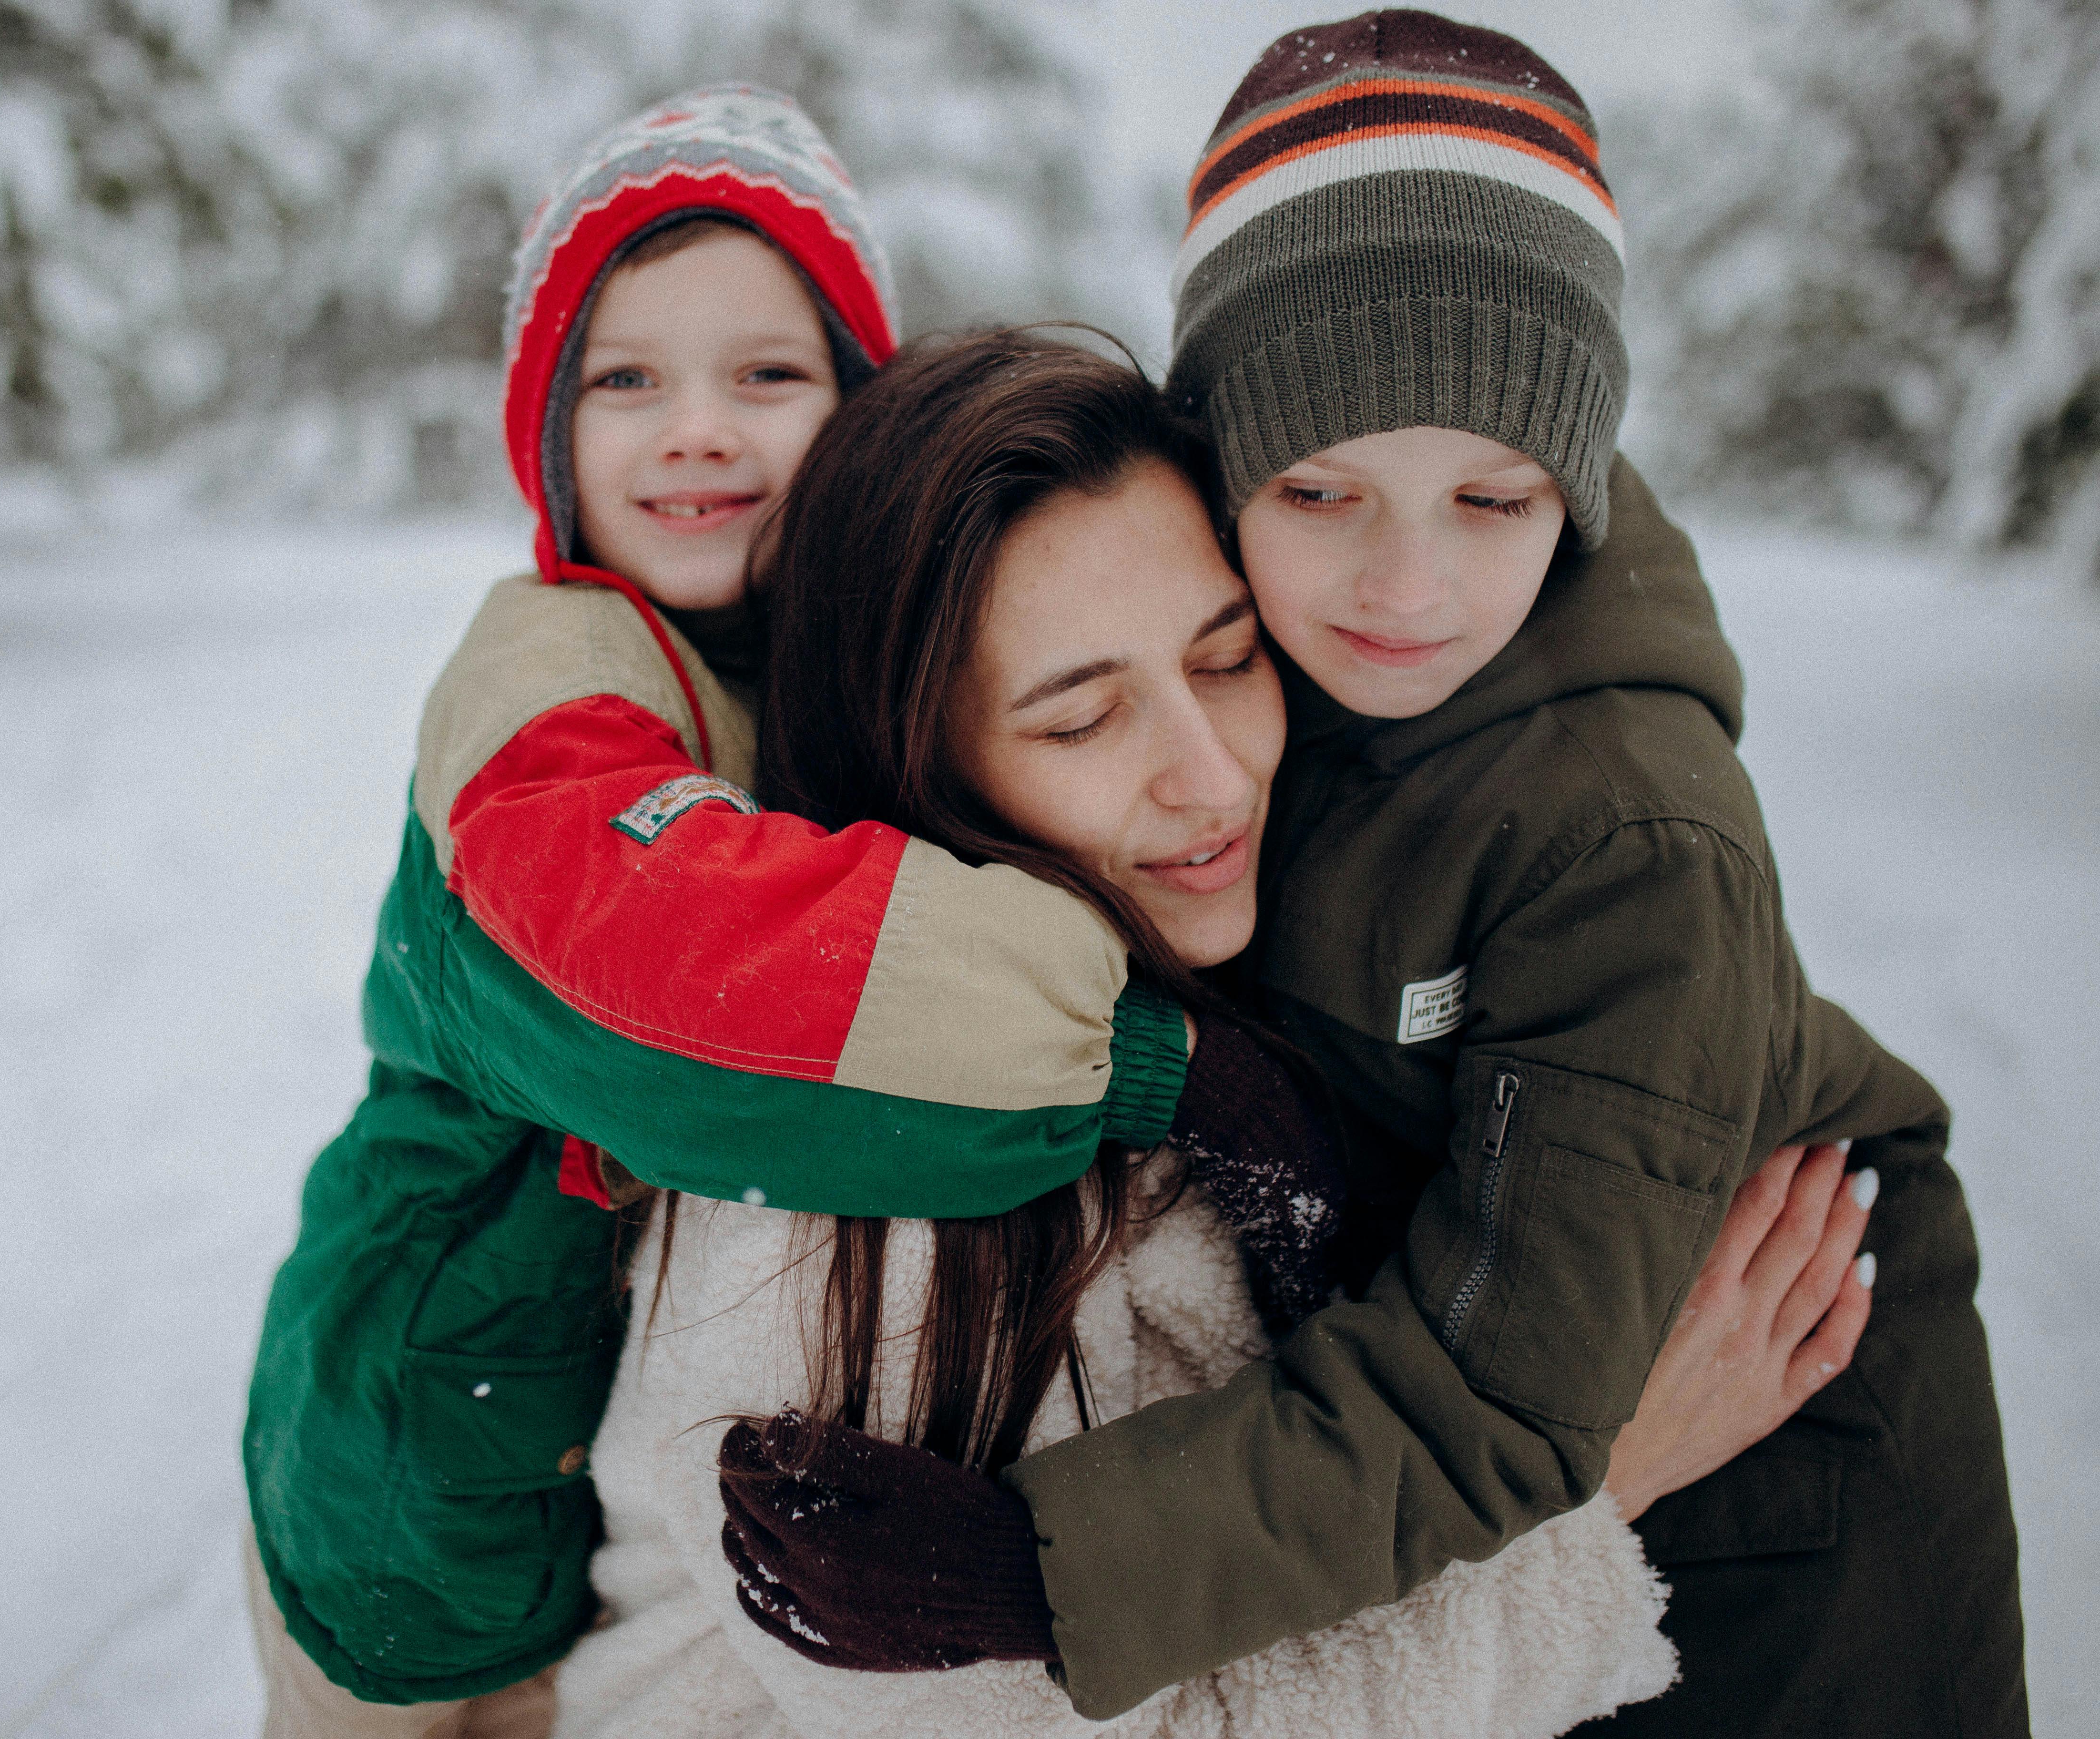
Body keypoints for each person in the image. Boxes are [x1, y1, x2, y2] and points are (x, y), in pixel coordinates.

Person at [721, 16, 2028, 1737]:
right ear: (1220, 461)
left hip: (1798, 1507)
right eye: (1320, 486)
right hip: (1525, 1500)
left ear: (1579, 485)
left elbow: (1493, 1392)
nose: (1404, 586)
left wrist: (1039, 1571)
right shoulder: (1275, 663)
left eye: (1495, 499)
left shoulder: (1630, 846)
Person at [553, 329, 1874, 1739]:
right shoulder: (834, 1236)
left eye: (1227, 658)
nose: (1211, 773)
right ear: (914, 773)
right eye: (1083, 720)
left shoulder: (1204, 983)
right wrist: (1604, 1490)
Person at [244, 83, 1294, 1737]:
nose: (697, 430)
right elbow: (678, 974)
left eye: (769, 376)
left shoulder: (783, 678)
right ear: (548, 438)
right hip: (406, 1496)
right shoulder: (551, 690)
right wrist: (1150, 1065)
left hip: (563, 1475)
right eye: (626, 382)